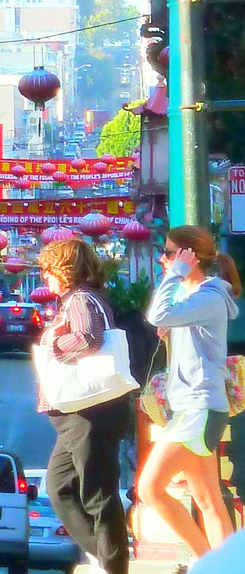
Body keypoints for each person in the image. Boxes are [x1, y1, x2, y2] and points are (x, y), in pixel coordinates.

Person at [137, 226, 241, 562]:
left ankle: (207, 563)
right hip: (195, 408)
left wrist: (176, 273)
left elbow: (157, 313)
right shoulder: (195, 298)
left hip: (198, 409)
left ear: (189, 257)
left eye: (168, 253)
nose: (163, 259)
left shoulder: (209, 297)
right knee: (209, 501)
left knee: (150, 489)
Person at [36, 237, 133, 574]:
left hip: (89, 412)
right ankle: (106, 555)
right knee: (59, 486)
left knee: (97, 493)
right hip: (79, 413)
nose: (44, 277)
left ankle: (113, 563)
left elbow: (89, 337)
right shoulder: (84, 299)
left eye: (48, 270)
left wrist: (54, 347)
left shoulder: (79, 299)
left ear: (64, 270)